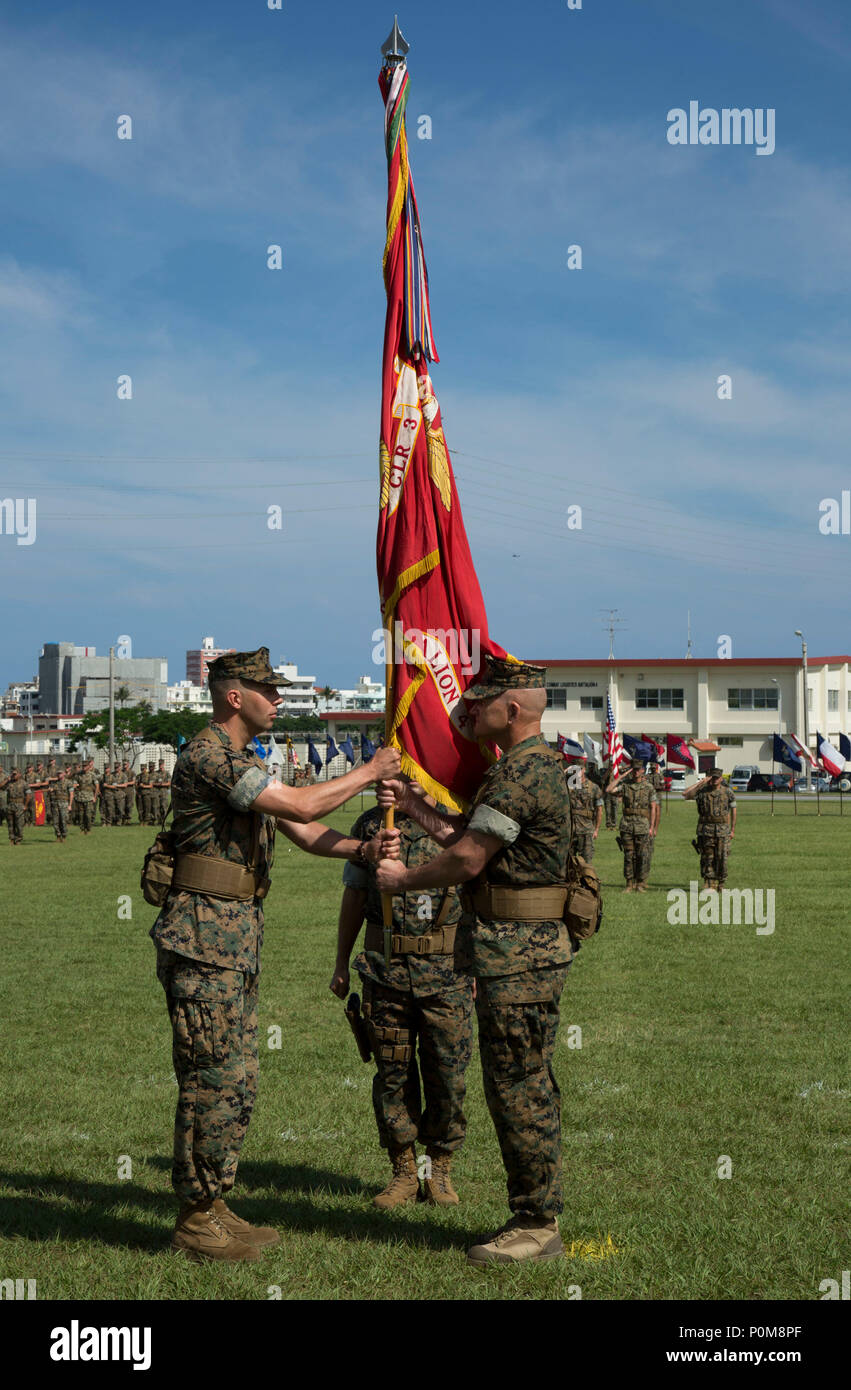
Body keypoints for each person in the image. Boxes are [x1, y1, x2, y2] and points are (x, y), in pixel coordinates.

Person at [150, 647, 401, 1264]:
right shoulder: (208, 755)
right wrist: (369, 773)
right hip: (204, 943)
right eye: (270, 690)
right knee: (211, 1076)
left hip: (231, 941)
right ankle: (193, 1216)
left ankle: (212, 1205)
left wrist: (362, 852)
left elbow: (307, 832)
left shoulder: (240, 759)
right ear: (235, 697)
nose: (280, 699)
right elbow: (303, 806)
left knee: (237, 1077)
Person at [376, 655, 573, 1266]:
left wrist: (404, 878)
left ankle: (536, 1224)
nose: (468, 708)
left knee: (520, 1087)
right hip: (513, 954)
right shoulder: (520, 768)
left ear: (512, 710)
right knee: (519, 1081)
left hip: (520, 957)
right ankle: (533, 1215)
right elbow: (466, 835)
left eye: (482, 700)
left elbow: (466, 860)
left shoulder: (524, 772)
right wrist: (414, 807)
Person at [329, 804, 472, 1210]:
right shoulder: (372, 826)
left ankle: (439, 1169)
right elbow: (355, 895)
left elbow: (474, 893)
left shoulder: (455, 822)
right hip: (385, 970)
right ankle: (405, 1173)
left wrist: (476, 962)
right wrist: (341, 961)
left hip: (448, 973)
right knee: (393, 1073)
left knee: (448, 1073)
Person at [606, 757, 659, 892]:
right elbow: (609, 790)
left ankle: (640, 883)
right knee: (629, 855)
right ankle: (629, 884)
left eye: (638, 770)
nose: (635, 772)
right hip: (627, 825)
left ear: (642, 770)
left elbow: (653, 808)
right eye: (633, 770)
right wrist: (621, 776)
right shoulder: (625, 785)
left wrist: (652, 827)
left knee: (642, 855)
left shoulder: (648, 787)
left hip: (642, 825)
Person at [683, 766, 736, 891]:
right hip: (706, 829)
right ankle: (709, 883)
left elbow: (733, 810)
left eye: (716, 778)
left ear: (721, 778)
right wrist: (701, 782)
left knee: (722, 857)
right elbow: (685, 794)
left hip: (722, 830)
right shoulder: (702, 791)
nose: (714, 780)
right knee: (707, 857)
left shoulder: (728, 792)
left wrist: (732, 830)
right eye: (712, 778)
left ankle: (721, 883)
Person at [566, 759, 602, 862]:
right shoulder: (568, 786)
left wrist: (596, 829)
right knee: (568, 862)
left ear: (584, 770)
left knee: (586, 863)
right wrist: (564, 772)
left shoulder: (593, 787)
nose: (577, 772)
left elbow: (599, 810)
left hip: (586, 830)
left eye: (580, 769)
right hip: (571, 830)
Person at [1, 768, 30, 844]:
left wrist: (25, 805)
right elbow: (1, 786)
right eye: (13, 774)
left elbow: (28, 795)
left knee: (19, 824)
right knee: (10, 824)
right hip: (10, 805)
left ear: (19, 774)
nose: (13, 775)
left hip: (20, 805)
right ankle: (11, 839)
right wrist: (7, 780)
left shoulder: (24, 783)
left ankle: (18, 839)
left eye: (15, 774)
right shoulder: (9, 783)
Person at [74, 758, 100, 835]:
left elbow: (97, 786)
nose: (84, 767)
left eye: (85, 766)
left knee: (88, 815)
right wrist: (75, 786)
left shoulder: (92, 775)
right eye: (83, 766)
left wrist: (95, 797)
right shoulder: (78, 775)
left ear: (89, 766)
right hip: (80, 797)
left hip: (89, 797)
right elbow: (74, 784)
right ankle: (82, 829)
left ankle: (88, 829)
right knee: (81, 815)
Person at [49, 767, 71, 841]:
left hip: (64, 803)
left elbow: (71, 794)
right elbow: (51, 792)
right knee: (55, 821)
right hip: (55, 803)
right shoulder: (54, 783)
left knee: (63, 820)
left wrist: (70, 805)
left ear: (64, 774)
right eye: (58, 774)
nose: (59, 775)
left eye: (61, 773)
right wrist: (50, 790)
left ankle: (64, 835)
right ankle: (58, 835)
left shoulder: (68, 782)